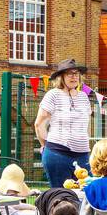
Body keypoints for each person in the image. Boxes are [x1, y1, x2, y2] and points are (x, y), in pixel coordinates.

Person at [35, 58, 93, 188]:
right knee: (61, 197)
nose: (74, 76)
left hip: (83, 155)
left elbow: (84, 125)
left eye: (76, 73)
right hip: (58, 154)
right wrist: (46, 146)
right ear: (61, 77)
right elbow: (39, 124)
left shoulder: (84, 96)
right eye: (69, 74)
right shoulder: (53, 95)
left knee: (87, 195)